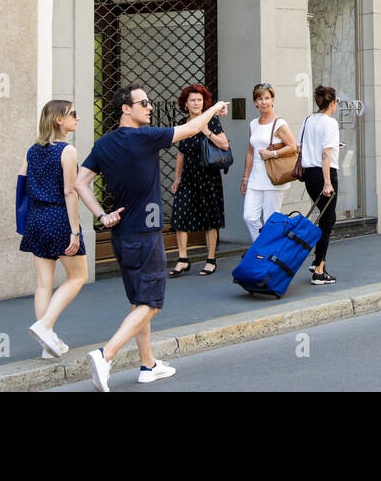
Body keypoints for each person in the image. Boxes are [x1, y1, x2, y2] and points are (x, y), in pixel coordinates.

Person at [75, 85, 229, 392]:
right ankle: (105, 355)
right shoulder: (145, 138)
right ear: (125, 109)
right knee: (152, 302)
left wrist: (102, 215)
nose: (148, 107)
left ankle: (148, 365)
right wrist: (214, 108)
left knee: (139, 302)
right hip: (145, 234)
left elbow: (80, 182)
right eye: (143, 103)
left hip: (121, 234)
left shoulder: (105, 143)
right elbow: (194, 127)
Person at [20, 99, 87, 360]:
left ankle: (47, 344)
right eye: (73, 114)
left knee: (43, 284)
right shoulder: (67, 151)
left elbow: (22, 183)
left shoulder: (32, 150)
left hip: (36, 219)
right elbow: (70, 192)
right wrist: (74, 230)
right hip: (58, 217)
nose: (77, 118)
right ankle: (45, 327)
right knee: (78, 276)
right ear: (59, 120)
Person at [169, 84, 230, 278]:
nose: (197, 103)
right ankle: (182, 259)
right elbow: (181, 153)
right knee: (180, 214)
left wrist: (205, 131)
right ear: (185, 103)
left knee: (210, 217)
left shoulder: (211, 120)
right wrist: (177, 177)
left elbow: (224, 144)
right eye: (193, 100)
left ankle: (211, 259)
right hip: (188, 175)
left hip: (208, 175)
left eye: (200, 100)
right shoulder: (182, 122)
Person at [242, 83, 297, 242]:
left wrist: (272, 153)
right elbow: (251, 152)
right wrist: (245, 177)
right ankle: (261, 247)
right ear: (255, 102)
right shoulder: (253, 124)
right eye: (260, 99)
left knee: (270, 219)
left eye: (267, 98)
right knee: (249, 217)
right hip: (255, 177)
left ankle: (267, 254)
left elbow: (292, 147)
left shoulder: (279, 123)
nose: (264, 102)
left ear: (272, 100)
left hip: (273, 176)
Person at [300, 85, 342, 283]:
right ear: (332, 102)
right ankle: (319, 270)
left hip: (309, 174)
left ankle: (317, 259)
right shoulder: (330, 123)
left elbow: (303, 147)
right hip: (325, 174)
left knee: (326, 218)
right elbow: (326, 154)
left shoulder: (309, 120)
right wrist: (327, 182)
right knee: (327, 222)